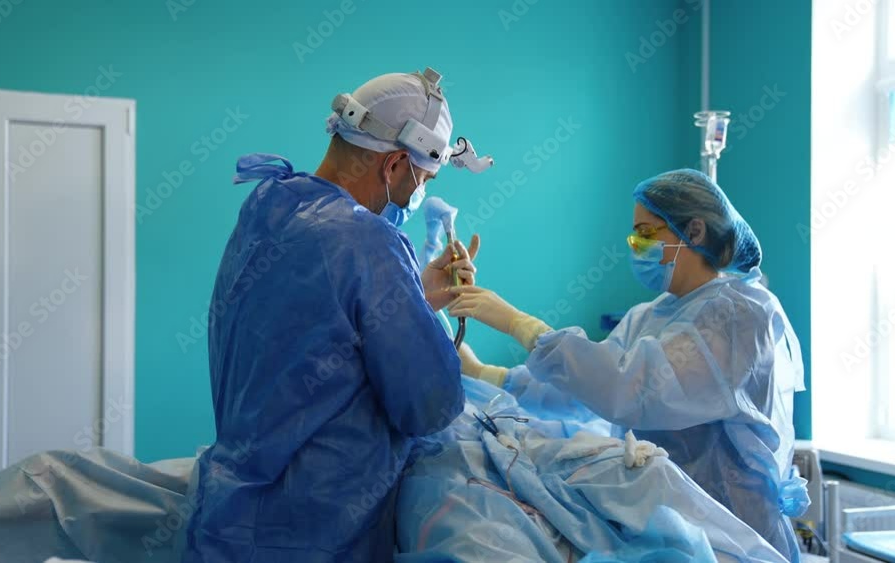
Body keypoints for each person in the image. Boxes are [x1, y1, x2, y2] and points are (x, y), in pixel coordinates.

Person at [182, 68, 484, 562]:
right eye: (422, 180)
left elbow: (312, 329)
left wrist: (413, 295)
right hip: (313, 533)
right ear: (392, 166)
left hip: (228, 516)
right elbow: (428, 406)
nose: (417, 196)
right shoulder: (370, 242)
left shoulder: (268, 205)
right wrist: (412, 304)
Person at [448, 169, 810, 562]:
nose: (636, 246)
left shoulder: (739, 314)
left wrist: (520, 325)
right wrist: (484, 372)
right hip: (670, 523)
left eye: (646, 234)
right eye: (633, 236)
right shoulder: (648, 315)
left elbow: (633, 388)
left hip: (731, 529)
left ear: (695, 231)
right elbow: (587, 389)